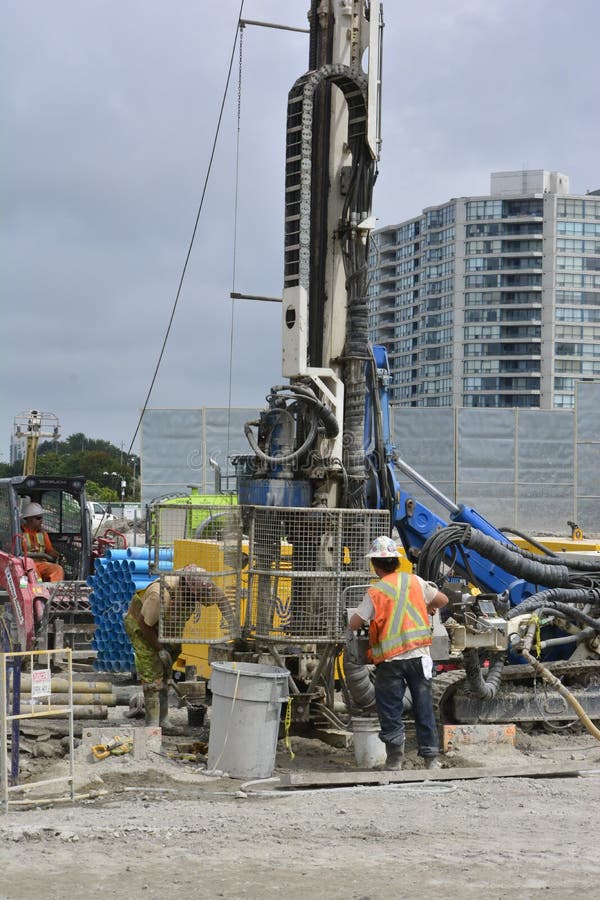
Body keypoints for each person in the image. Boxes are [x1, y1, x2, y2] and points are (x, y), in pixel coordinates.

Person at [349, 535, 448, 771]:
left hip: (391, 661)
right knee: (424, 708)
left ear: (374, 564)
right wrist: (429, 605)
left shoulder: (376, 591)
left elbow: (354, 623)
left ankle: (394, 760)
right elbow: (443, 599)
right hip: (420, 656)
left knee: (390, 710)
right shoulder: (415, 581)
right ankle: (431, 759)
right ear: (396, 560)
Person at [124, 564, 236, 729]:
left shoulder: (199, 585)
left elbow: (221, 599)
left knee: (168, 668)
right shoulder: (160, 595)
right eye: (193, 597)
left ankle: (163, 721)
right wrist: (160, 649)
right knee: (153, 669)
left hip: (167, 625)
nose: (194, 601)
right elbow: (144, 624)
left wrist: (234, 627)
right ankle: (152, 725)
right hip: (143, 626)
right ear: (184, 586)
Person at [20, 502, 64, 582]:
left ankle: (54, 592)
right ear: (29, 519)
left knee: (58, 569)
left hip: (42, 563)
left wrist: (59, 555)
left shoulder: (43, 534)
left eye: (41, 518)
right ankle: (38, 593)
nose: (41, 521)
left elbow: (49, 550)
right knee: (35, 575)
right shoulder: (19, 533)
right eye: (39, 518)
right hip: (26, 565)